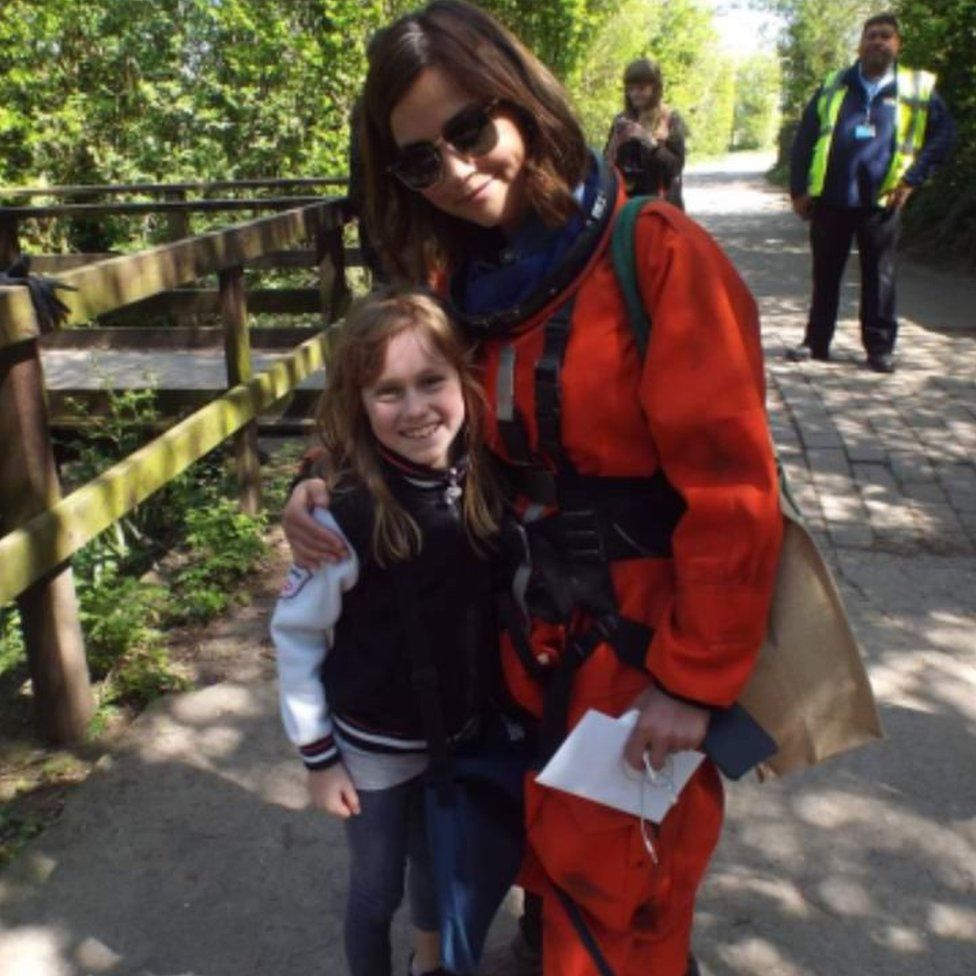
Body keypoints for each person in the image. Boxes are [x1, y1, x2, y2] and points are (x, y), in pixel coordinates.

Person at [283, 3, 783, 974]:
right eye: (420, 160)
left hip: (637, 642)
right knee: (535, 845)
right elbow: (393, 401)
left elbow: (733, 490)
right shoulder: (451, 280)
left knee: (626, 882)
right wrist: (321, 477)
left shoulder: (656, 256)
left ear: (520, 103)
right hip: (508, 629)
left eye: (469, 129)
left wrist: (690, 678)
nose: (457, 170)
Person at [271, 288, 508, 976]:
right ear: (358, 403)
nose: (415, 409)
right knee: (377, 888)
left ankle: (429, 965)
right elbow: (297, 638)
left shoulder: (481, 478)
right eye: (388, 392)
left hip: (457, 735)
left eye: (432, 381)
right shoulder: (342, 519)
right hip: (371, 750)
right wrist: (319, 759)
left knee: (437, 867)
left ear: (464, 380)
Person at [788, 11, 955, 373]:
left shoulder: (915, 87)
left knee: (879, 276)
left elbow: (944, 135)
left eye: (885, 36)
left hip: (882, 200)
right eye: (871, 36)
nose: (877, 41)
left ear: (897, 45)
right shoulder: (835, 84)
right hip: (831, 197)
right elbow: (804, 138)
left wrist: (912, 178)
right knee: (825, 273)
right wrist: (798, 189)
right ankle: (816, 343)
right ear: (860, 44)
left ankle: (879, 349)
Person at [604, 57, 687, 209]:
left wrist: (649, 141)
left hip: (662, 206)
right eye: (630, 89)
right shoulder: (621, 120)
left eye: (641, 88)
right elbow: (607, 167)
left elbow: (676, 167)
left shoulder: (670, 119)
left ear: (655, 88)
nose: (635, 94)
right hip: (627, 207)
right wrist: (617, 143)